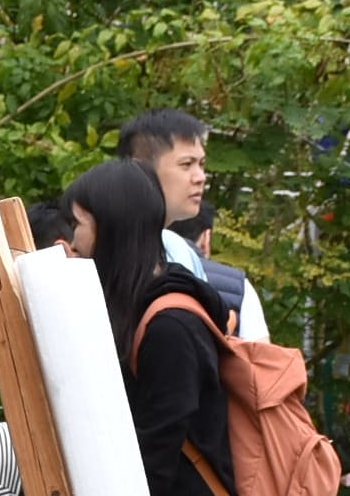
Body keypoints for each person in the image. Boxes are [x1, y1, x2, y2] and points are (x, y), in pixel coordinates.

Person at [68, 157, 240, 496]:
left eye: (78, 224)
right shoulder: (145, 310)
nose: (72, 241)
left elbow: (154, 455)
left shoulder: (169, 326)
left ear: (110, 229)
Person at [115, 108, 271, 341]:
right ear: (139, 169)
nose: (200, 177)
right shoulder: (106, 244)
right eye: (186, 164)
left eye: (202, 164)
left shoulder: (177, 248)